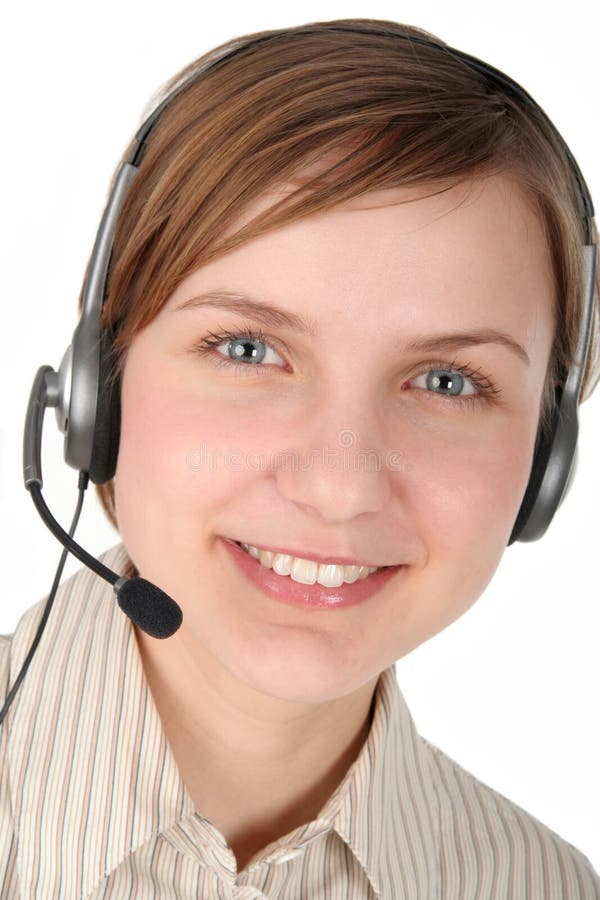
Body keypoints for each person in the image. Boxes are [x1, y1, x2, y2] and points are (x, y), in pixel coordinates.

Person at [1, 17, 599, 899]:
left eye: (446, 380)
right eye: (247, 349)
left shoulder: (542, 886)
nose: (340, 486)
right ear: (99, 393)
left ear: (544, 464)